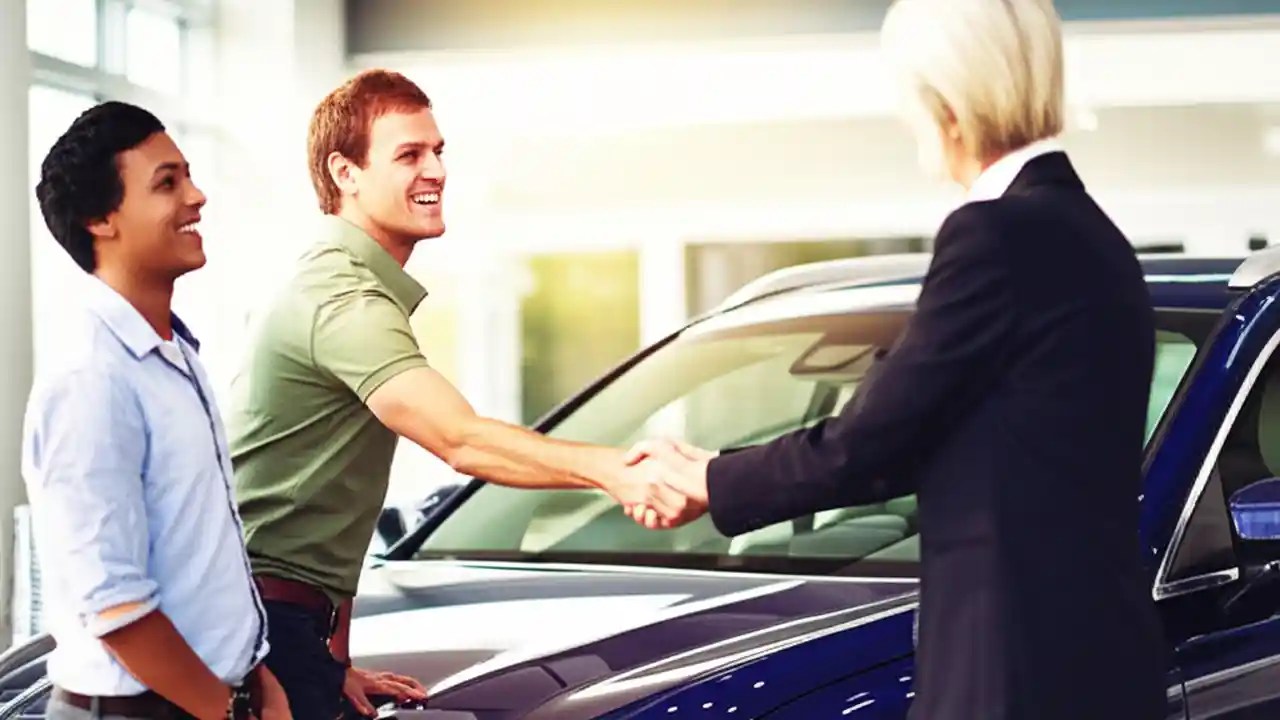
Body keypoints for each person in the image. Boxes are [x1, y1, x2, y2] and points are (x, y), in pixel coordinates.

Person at [625, 1, 1169, 718]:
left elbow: (876, 438)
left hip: (1012, 670)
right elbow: (948, 440)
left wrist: (711, 479)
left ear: (946, 102)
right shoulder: (1092, 237)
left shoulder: (997, 237)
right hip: (1094, 659)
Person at [227, 69, 691, 719]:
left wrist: (334, 663)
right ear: (345, 173)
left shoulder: (345, 287)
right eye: (409, 154)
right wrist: (617, 472)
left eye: (438, 151)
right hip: (264, 633)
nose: (436, 171)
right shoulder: (342, 301)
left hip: (291, 629)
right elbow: (461, 439)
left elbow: (329, 504)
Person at [23, 101, 290, 720]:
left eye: (188, 176)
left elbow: (198, 557)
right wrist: (224, 710)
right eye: (167, 183)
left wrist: (256, 678)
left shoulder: (172, 352)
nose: (197, 197)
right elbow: (113, 603)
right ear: (100, 219)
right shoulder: (92, 373)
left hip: (204, 700)